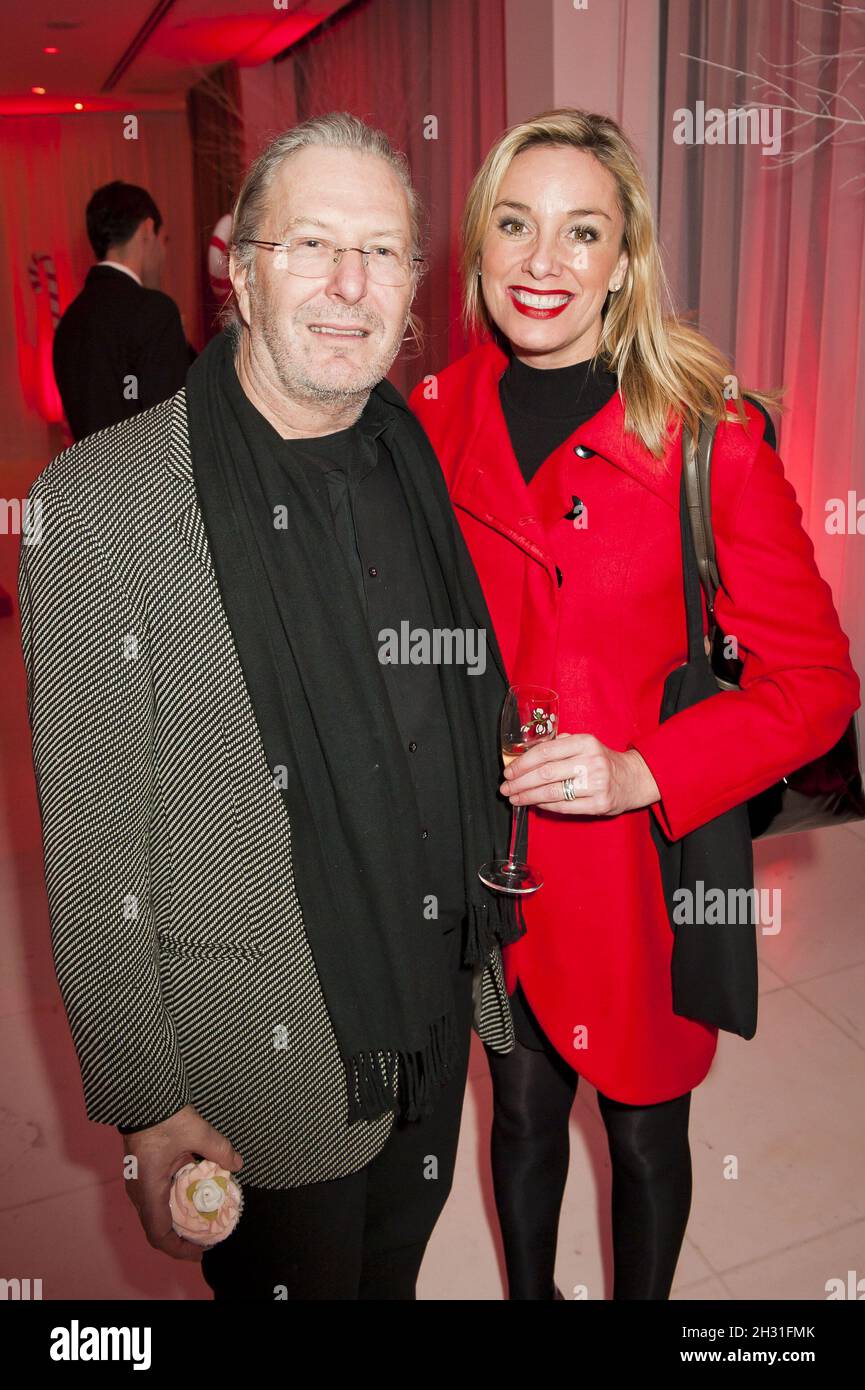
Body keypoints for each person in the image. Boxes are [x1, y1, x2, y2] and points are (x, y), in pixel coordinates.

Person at [18, 113, 520, 1301]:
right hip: (264, 1056)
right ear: (238, 272)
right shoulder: (100, 504)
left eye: (382, 252)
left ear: (412, 287)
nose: (350, 284)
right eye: (311, 246)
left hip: (429, 1005)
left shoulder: (408, 450)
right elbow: (94, 848)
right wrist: (146, 1099)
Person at [409, 107, 861, 1300]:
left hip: (631, 876)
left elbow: (817, 684)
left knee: (645, 1130)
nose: (542, 261)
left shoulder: (709, 437)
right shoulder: (429, 415)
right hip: (481, 857)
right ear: (478, 241)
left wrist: (643, 770)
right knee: (517, 1107)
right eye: (515, 224)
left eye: (582, 231)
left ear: (624, 260)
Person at [53, 181, 194, 440]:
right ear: (147, 229)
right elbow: (173, 431)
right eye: (164, 240)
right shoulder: (155, 312)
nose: (163, 254)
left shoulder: (69, 323)